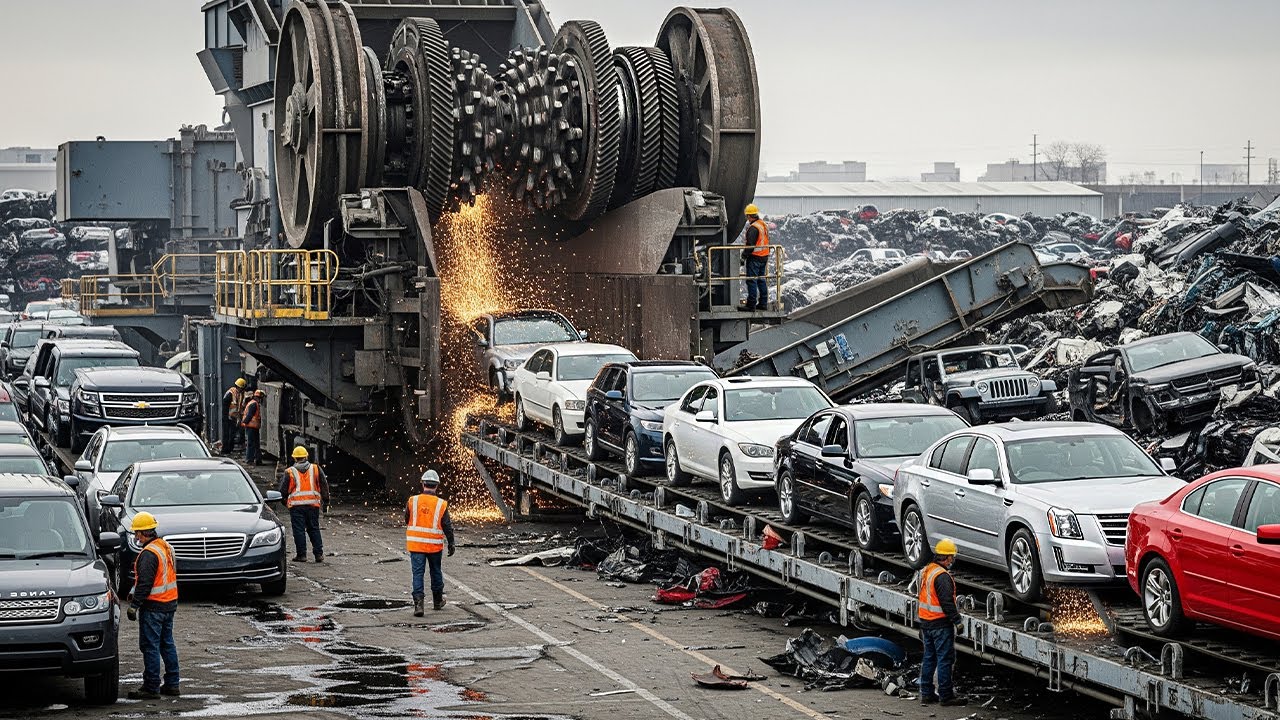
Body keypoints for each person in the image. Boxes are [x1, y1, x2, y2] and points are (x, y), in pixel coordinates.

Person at [127, 512, 180, 700]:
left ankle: (151, 687)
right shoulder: (164, 546)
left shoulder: (149, 554)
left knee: (150, 646)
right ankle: (172, 684)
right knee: (167, 644)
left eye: (137, 533)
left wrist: (134, 605)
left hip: (154, 607)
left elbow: (145, 583)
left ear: (141, 533)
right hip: (169, 604)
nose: (136, 537)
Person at [918, 538, 966, 707]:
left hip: (926, 623)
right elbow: (947, 602)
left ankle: (926, 693)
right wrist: (957, 621)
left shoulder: (927, 570)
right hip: (940, 625)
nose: (952, 560)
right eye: (952, 556)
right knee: (945, 659)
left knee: (929, 658)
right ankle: (946, 695)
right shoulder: (942, 576)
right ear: (947, 557)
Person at [406, 470, 456, 615]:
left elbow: (406, 518)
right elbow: (447, 526)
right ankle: (437, 600)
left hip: (416, 545)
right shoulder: (441, 504)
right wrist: (451, 543)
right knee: (436, 571)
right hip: (434, 546)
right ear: (437, 486)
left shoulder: (412, 501)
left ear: (423, 484)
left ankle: (419, 606)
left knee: (417, 574)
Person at [279, 446, 330, 562]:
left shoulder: (289, 471)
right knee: (314, 529)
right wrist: (326, 501)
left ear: (294, 458)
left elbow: (282, 491)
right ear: (306, 456)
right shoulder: (316, 468)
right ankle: (319, 554)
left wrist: (286, 503)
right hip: (313, 505)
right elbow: (324, 485)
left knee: (299, 530)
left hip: (296, 507)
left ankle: (301, 555)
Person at [739, 203, 771, 311]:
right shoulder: (762, 224)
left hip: (755, 258)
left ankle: (751, 304)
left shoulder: (753, 228)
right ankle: (763, 303)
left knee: (752, 280)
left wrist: (743, 257)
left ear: (749, 216)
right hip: (764, 256)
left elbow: (750, 245)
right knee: (761, 280)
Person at [221, 378, 246, 455]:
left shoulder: (240, 394)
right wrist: (226, 417)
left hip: (234, 417)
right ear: (238, 387)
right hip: (227, 417)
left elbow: (239, 406)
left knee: (232, 434)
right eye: (242, 388)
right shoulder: (230, 394)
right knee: (226, 434)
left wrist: (238, 417)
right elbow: (225, 406)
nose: (242, 390)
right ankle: (225, 450)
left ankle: (230, 449)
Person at [241, 390, 264, 465]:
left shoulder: (253, 403)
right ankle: (250, 460)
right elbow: (249, 415)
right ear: (258, 397)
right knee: (251, 444)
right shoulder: (254, 404)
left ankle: (258, 460)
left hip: (253, 427)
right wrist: (245, 422)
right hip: (251, 427)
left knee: (256, 444)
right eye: (260, 398)